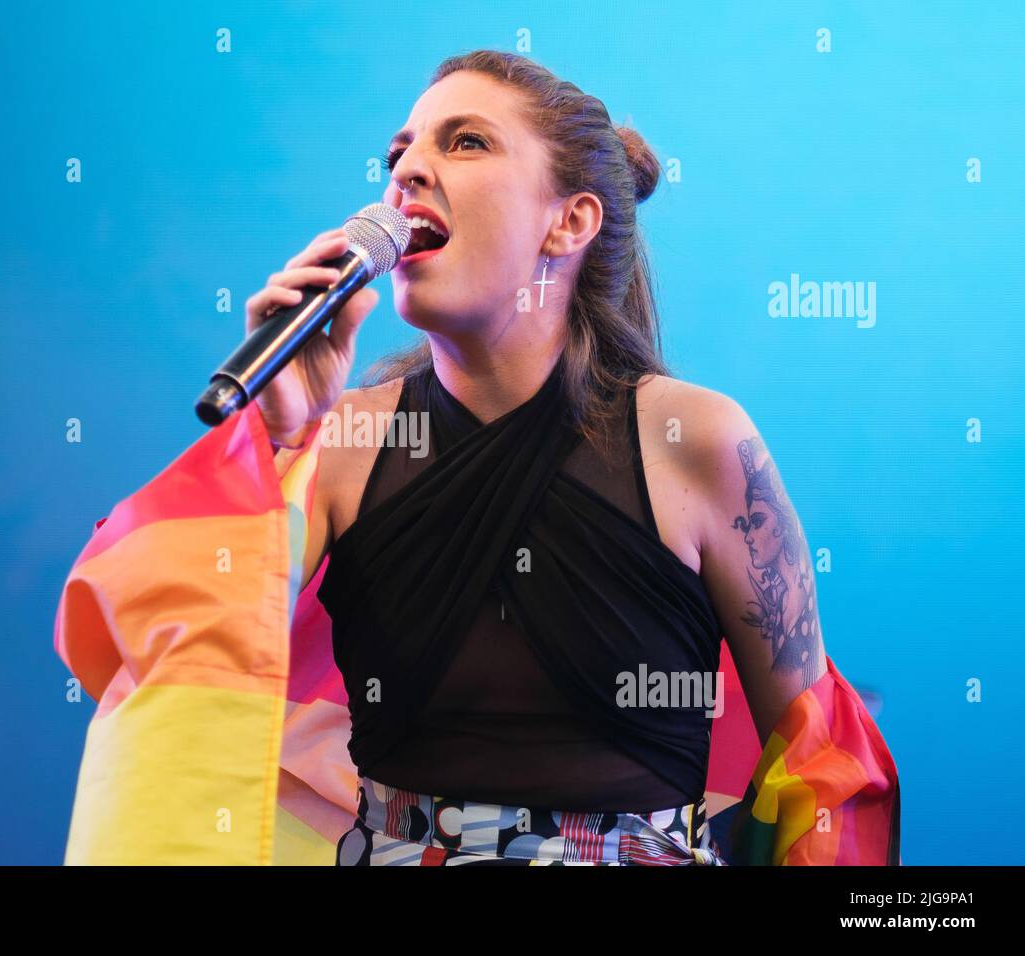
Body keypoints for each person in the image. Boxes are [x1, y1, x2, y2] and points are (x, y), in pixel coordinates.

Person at [53, 49, 899, 866]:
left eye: (464, 141)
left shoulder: (700, 443)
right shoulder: (343, 446)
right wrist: (278, 437)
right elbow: (184, 644)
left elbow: (820, 760)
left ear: (568, 220)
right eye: (399, 152)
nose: (407, 169)